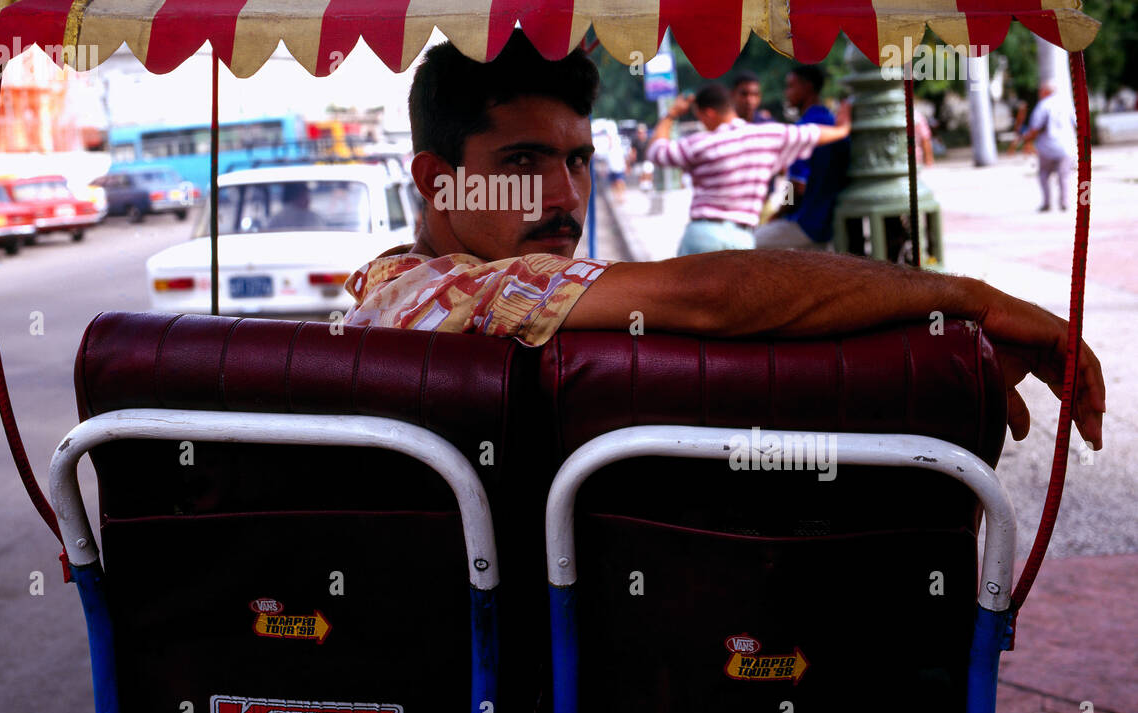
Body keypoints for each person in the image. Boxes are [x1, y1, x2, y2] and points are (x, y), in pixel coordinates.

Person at [343, 31, 1105, 451]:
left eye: (577, 160)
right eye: (522, 163)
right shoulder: (451, 291)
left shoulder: (420, 287)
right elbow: (713, 297)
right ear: (438, 178)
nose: (566, 196)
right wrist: (964, 300)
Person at [646, 83, 851, 254]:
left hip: (704, 234)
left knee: (688, 301)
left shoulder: (700, 143)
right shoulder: (769, 134)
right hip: (742, 239)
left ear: (708, 113)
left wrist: (671, 114)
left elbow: (656, 151)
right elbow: (813, 134)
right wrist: (842, 130)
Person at [755, 64, 851, 251]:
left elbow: (796, 187)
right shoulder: (831, 122)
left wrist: (780, 213)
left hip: (805, 222)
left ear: (807, 87)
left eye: (790, 86)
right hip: (829, 224)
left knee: (745, 245)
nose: (786, 92)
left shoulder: (804, 130)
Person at [1023, 83, 1077, 212]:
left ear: (1046, 92)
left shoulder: (1043, 105)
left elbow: (1035, 127)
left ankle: (1047, 203)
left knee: (1044, 174)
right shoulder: (1066, 103)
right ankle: (1064, 202)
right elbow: (1076, 123)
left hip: (1047, 146)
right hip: (1066, 146)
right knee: (1064, 175)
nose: (1039, 93)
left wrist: (1027, 138)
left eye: (1041, 91)